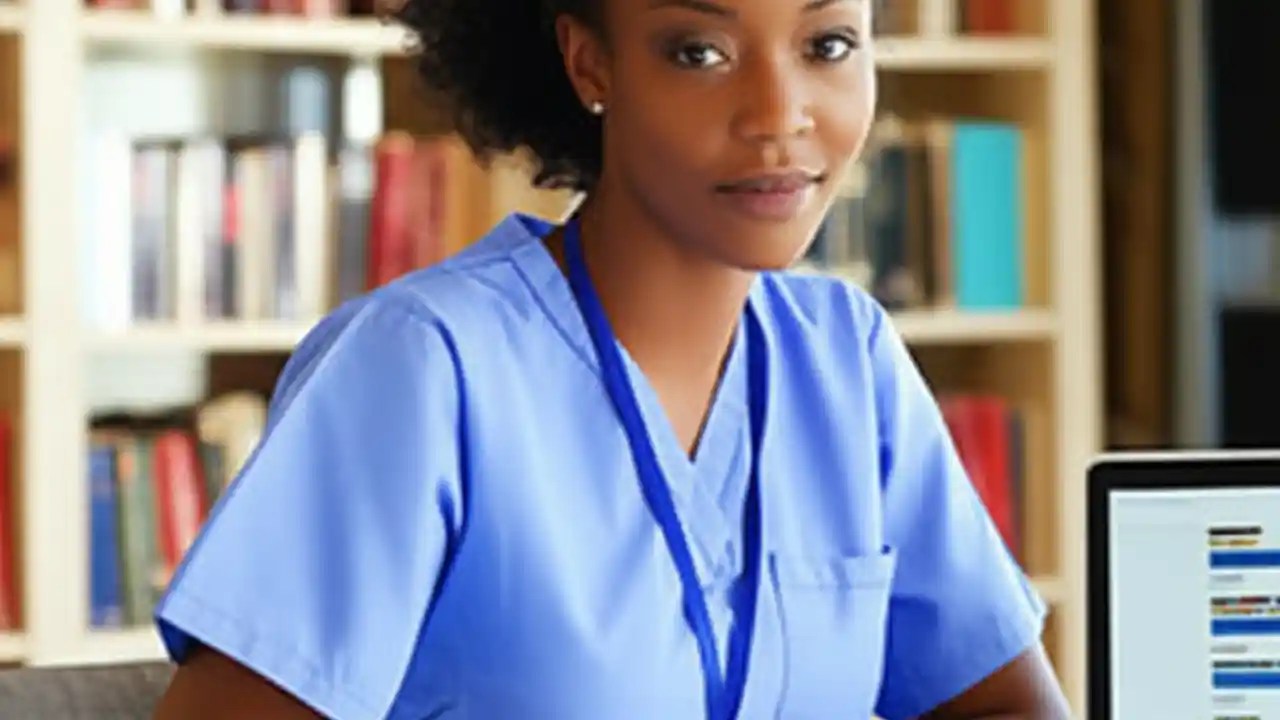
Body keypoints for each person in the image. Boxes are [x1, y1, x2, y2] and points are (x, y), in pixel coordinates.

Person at [152, 0, 1072, 717]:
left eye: (827, 45)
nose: (779, 116)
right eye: (699, 52)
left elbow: (1003, 705)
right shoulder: (423, 368)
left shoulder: (847, 360)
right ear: (589, 62)